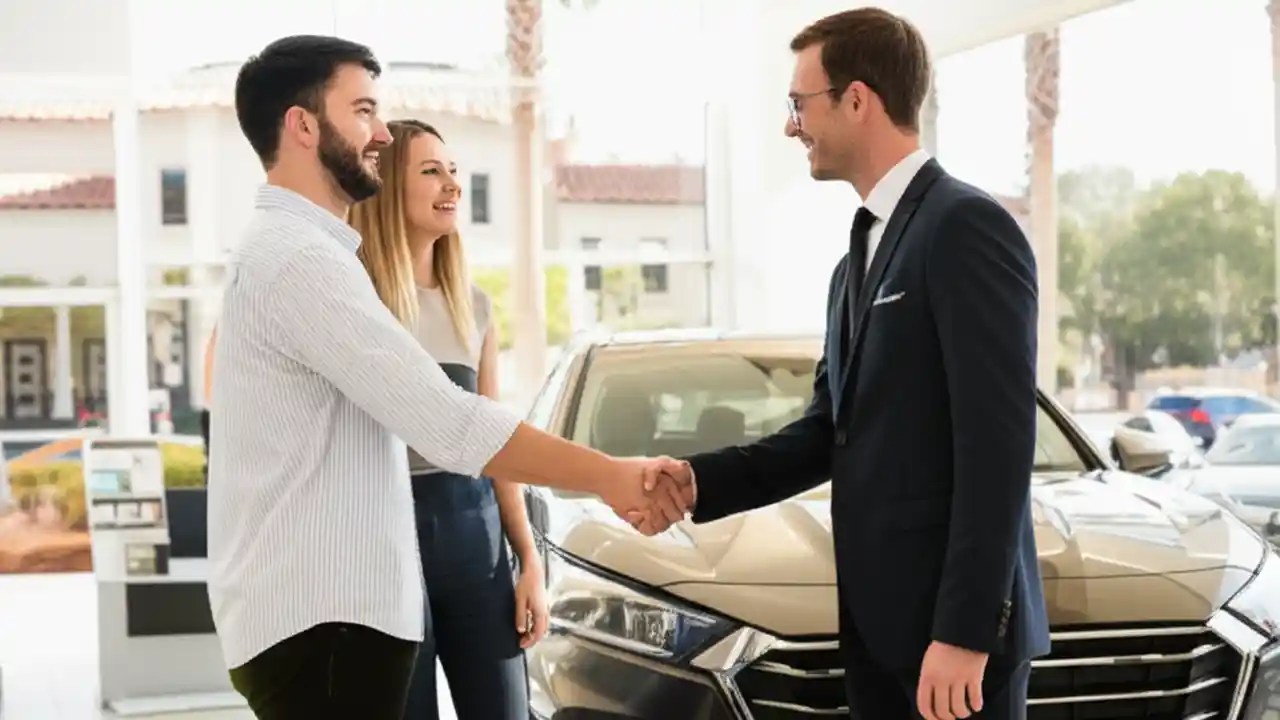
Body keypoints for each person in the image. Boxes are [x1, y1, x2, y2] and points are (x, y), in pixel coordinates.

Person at [208, 35, 689, 720]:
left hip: (328, 620)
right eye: (365, 111)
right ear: (303, 125)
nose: (380, 134)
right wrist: (612, 476)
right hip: (324, 627)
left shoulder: (302, 255)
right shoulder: (300, 263)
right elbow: (448, 420)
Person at [659, 8, 1049, 720]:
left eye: (798, 104)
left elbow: (997, 447)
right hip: (876, 633)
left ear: (858, 99)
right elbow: (826, 434)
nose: (790, 125)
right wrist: (692, 483)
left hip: (950, 644)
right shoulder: (853, 264)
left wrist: (964, 632)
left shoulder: (965, 227)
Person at [347, 118, 543, 719]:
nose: (451, 184)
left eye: (454, 170)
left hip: (475, 536)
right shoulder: (355, 301)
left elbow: (497, 444)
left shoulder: (475, 307)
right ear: (385, 187)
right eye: (430, 170)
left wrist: (527, 557)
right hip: (382, 536)